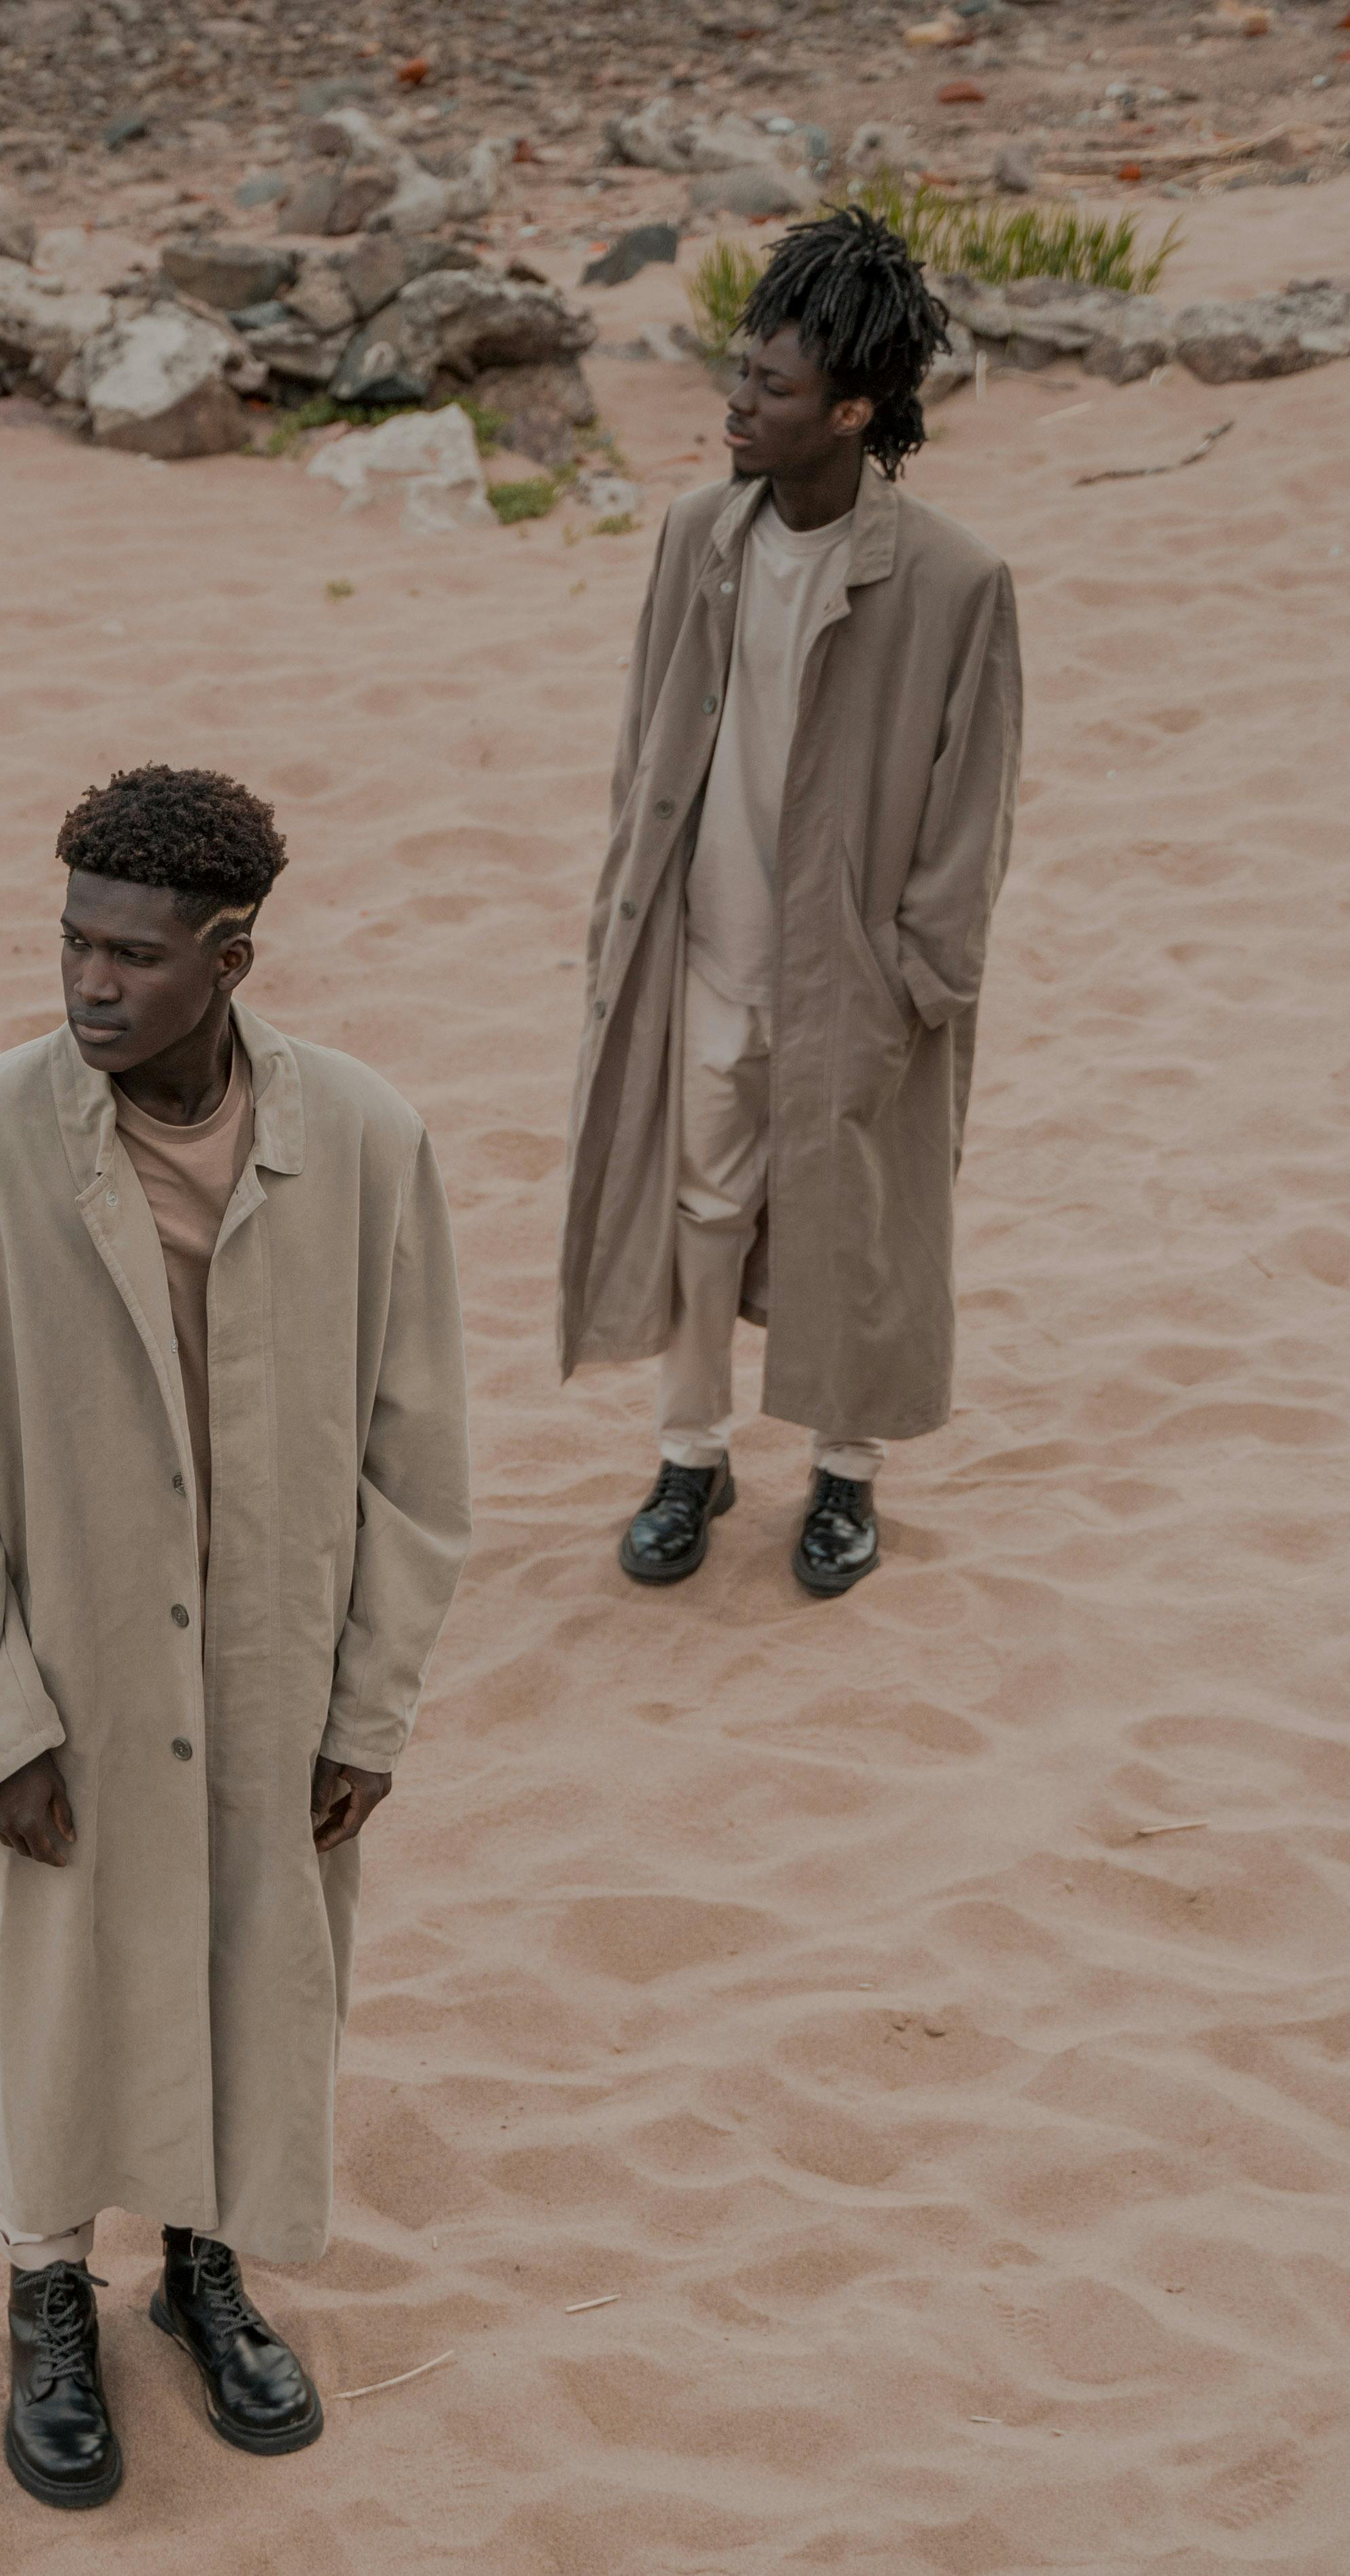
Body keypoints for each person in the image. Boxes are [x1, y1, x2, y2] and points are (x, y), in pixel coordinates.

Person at [0, 767, 472, 2509]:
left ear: (232, 953)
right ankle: (45, 2286)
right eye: (69, 943)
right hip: (69, 1671)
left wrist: (368, 1708)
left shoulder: (363, 1138)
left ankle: (204, 2267)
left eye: (133, 955)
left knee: (247, 1960)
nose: (87, 984)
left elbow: (416, 1453)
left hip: (275, 1667)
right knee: (53, 1990)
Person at [556, 207, 1023, 1600]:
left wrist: (917, 981)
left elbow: (971, 811)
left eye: (765, 385)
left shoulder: (953, 581)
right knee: (700, 1207)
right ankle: (686, 1455)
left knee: (855, 1224)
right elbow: (647, 741)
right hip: (698, 948)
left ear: (853, 407)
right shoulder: (697, 536)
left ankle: (844, 1477)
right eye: (738, 373)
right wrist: (620, 922)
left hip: (854, 974)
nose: (733, 405)